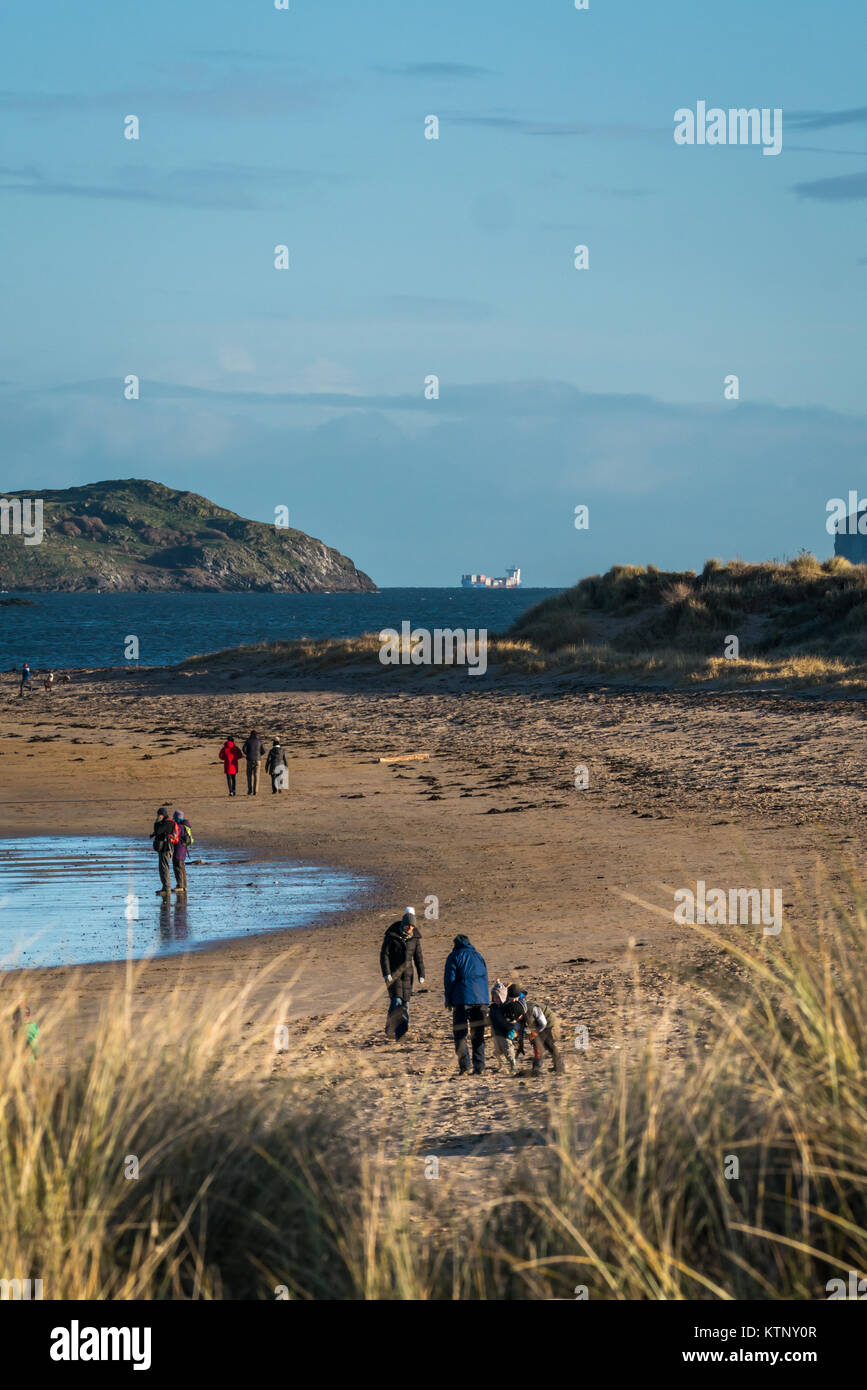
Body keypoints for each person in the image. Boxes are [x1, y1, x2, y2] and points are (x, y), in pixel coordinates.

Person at [443, 933, 489, 1075]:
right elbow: (485, 977)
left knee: (460, 1034)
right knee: (478, 1035)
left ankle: (465, 1067)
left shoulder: (454, 956)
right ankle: (479, 1067)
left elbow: (449, 980)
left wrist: (449, 1000)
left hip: (462, 1000)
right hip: (481, 1000)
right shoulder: (478, 955)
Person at [379, 907, 426, 1040]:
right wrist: (386, 973)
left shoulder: (415, 939)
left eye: (412, 925)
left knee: (405, 1004)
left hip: (408, 976)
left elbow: (418, 958)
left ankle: (401, 1033)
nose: (410, 928)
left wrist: (421, 974)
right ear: (403, 924)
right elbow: (384, 955)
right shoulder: (391, 936)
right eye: (408, 925)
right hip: (394, 975)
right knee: (396, 1001)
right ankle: (390, 1028)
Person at [507, 983, 565, 1075]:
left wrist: (534, 1033)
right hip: (538, 1024)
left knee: (538, 1043)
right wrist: (520, 1044)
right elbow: (520, 1029)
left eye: (515, 998)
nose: (513, 1000)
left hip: (547, 1021)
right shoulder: (516, 1011)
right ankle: (559, 1066)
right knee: (549, 1044)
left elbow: (543, 1023)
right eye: (511, 999)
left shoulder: (531, 1008)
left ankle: (537, 1069)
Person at [489, 980, 519, 1076]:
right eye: (494, 997)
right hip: (496, 1033)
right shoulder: (493, 1007)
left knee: (508, 1050)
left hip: (505, 1033)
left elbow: (513, 1021)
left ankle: (513, 1065)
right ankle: (501, 1065)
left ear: (503, 997)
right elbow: (491, 1020)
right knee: (497, 1052)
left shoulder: (507, 1007)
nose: (496, 999)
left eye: (498, 997)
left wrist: (512, 1030)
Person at [151, 806, 179, 896]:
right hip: (164, 848)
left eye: (159, 815)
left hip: (166, 849)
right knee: (162, 868)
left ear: (162, 815)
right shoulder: (165, 823)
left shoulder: (167, 823)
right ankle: (165, 887)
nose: (158, 816)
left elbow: (158, 830)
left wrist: (156, 822)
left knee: (164, 868)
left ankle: (166, 889)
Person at [172, 811, 193, 896]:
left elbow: (175, 837)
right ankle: (184, 886)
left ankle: (180, 885)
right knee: (182, 868)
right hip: (183, 849)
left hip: (178, 849)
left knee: (178, 867)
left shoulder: (179, 827)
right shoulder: (185, 826)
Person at [242, 730, 266, 795]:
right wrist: (259, 754)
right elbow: (264, 751)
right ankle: (255, 790)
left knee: (249, 775)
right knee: (256, 775)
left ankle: (250, 790)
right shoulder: (260, 741)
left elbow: (244, 749)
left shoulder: (248, 741)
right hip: (258, 760)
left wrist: (248, 754)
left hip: (249, 759)